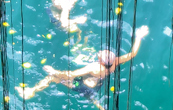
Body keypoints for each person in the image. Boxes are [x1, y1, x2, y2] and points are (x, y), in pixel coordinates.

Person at [16, 26, 149, 100]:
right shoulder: (115, 63)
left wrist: (54, 71)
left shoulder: (94, 67)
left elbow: (71, 74)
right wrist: (139, 37)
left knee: (51, 78)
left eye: (102, 53)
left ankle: (31, 91)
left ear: (100, 61)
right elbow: (133, 54)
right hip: (97, 85)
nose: (102, 51)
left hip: (83, 86)